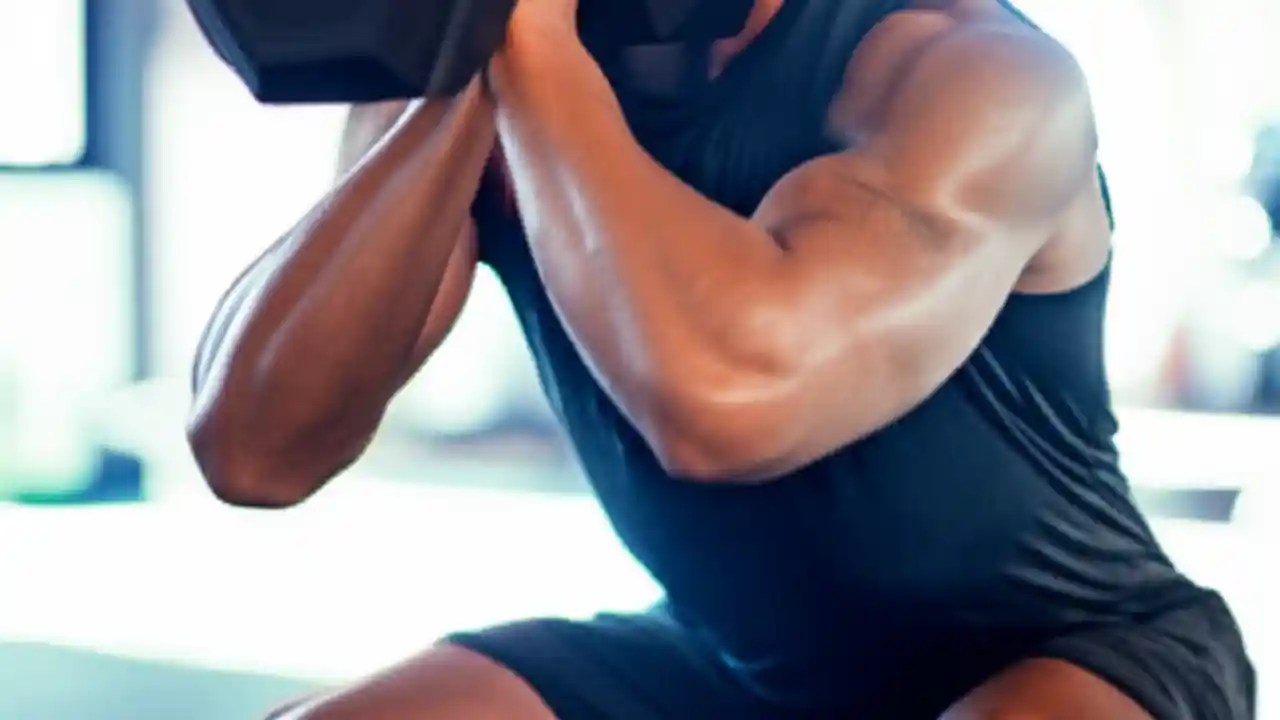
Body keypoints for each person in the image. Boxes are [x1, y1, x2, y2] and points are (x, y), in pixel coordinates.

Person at [188, 0, 1256, 717]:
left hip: (1068, 647)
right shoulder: (495, 62)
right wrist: (478, 63)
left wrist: (536, 48)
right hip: (732, 660)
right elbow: (256, 449)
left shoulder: (966, 69)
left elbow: (729, 403)